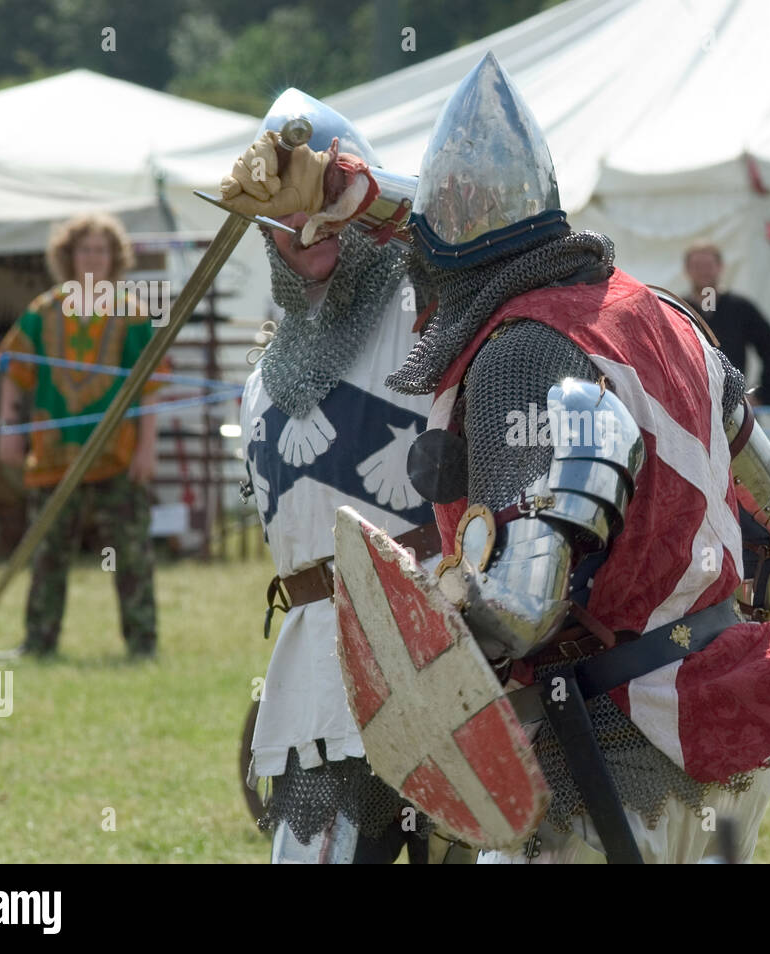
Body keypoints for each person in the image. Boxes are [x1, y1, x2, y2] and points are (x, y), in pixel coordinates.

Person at [225, 53, 770, 864]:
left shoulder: (506, 344)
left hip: (615, 711)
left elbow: (526, 606)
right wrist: (763, 610)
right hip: (727, 689)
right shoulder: (667, 320)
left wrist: (342, 190)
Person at [221, 89, 438, 864]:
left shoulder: (428, 314)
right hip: (317, 659)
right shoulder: (262, 375)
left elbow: (493, 235)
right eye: (278, 217)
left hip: (438, 640)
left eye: (316, 208)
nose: (300, 231)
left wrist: (369, 196)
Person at [0, 212, 167, 660]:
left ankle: (143, 645)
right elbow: (15, 371)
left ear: (115, 257)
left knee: (130, 552)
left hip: (117, 452)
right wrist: (9, 431)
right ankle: (38, 642)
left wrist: (148, 447)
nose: (93, 258)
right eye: (85, 249)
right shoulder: (43, 311)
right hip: (53, 455)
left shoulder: (132, 313)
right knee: (48, 552)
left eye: (101, 250)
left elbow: (150, 386)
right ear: (68, 256)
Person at [683, 242, 770, 405]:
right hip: (691, 405)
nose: (703, 271)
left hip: (734, 406)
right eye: (697, 266)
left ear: (720, 267)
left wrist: (762, 395)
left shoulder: (740, 308)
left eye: (708, 265)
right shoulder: (678, 310)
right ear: (687, 270)